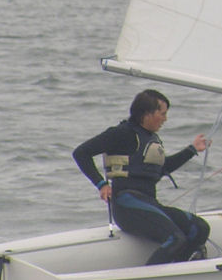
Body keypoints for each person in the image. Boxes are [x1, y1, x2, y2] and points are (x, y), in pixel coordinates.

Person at [73, 89, 211, 265]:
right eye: (162, 114)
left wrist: (191, 150)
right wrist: (101, 184)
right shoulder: (121, 133)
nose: (165, 119)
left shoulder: (149, 137)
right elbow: (81, 153)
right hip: (126, 204)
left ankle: (179, 271)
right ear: (147, 114)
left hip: (149, 202)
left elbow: (162, 169)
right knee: (175, 238)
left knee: (199, 228)